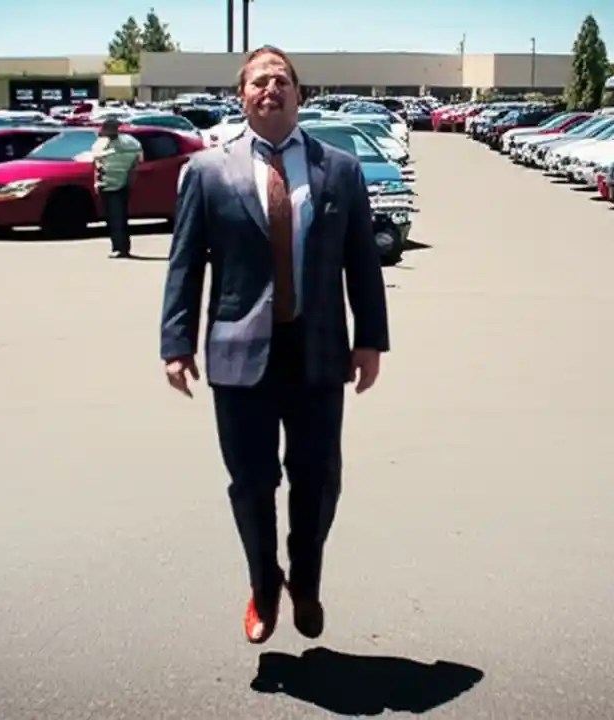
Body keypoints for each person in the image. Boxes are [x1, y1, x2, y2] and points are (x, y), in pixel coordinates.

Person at [159, 46, 390, 644]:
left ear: (299, 95)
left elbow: (362, 261)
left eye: (281, 79)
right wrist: (176, 343)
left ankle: (305, 583)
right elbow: (185, 264)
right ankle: (264, 586)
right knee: (251, 482)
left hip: (318, 353)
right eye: (259, 80)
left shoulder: (340, 169)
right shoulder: (208, 171)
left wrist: (370, 339)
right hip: (238, 355)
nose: (271, 88)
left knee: (318, 480)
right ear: (242, 97)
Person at [91, 116, 143, 258]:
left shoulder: (128, 143)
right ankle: (117, 246)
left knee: (118, 218)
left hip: (120, 185)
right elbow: (96, 163)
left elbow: (136, 162)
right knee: (111, 219)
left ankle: (122, 248)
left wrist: (130, 180)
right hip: (105, 185)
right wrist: (97, 182)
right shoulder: (101, 144)